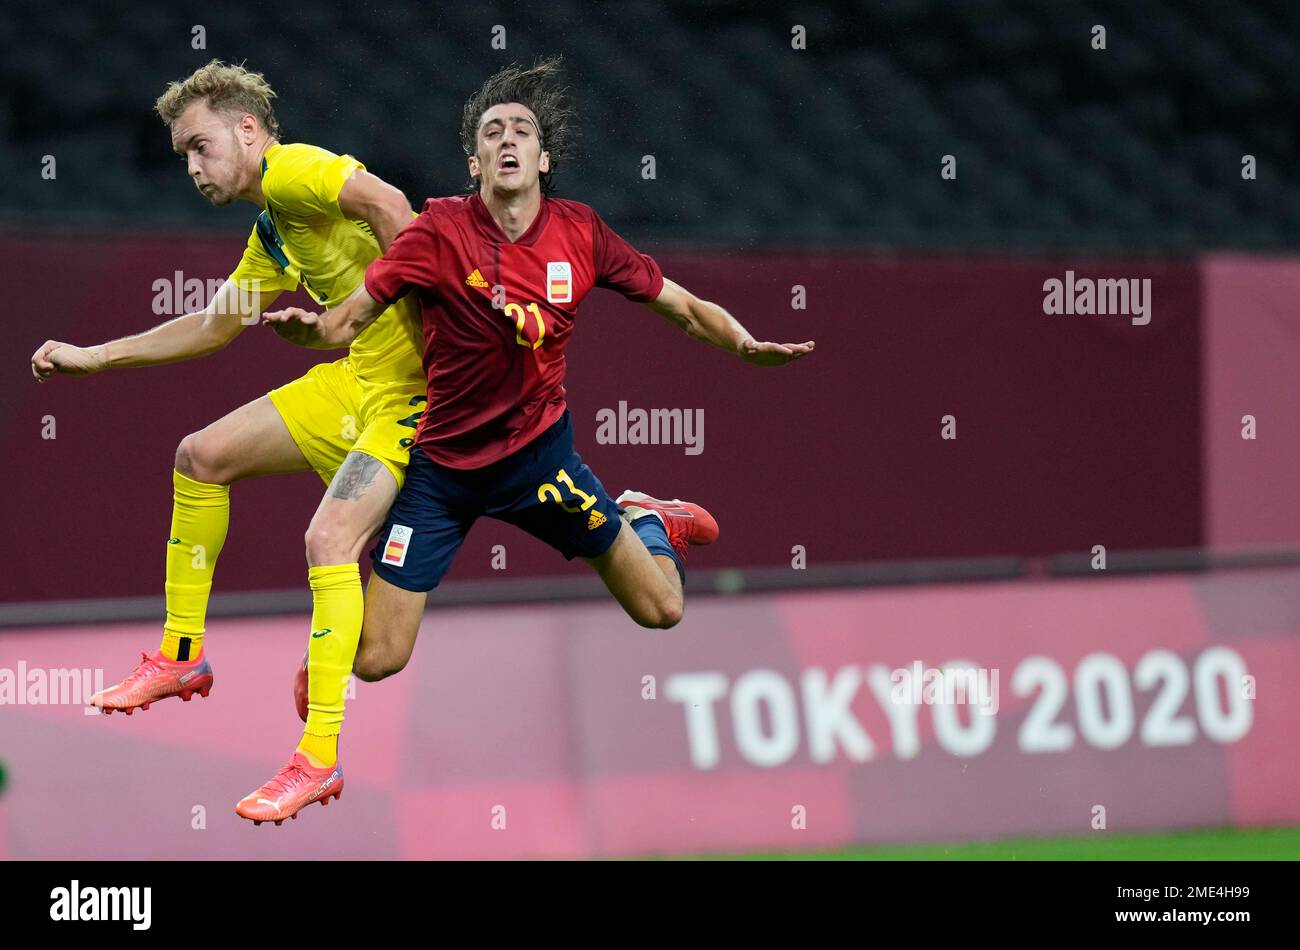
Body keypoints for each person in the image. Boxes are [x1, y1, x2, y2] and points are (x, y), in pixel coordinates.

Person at [265, 58, 815, 823]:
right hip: (443, 472)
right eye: (493, 132)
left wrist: (745, 343)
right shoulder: (436, 232)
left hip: (540, 463)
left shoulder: (582, 233)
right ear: (475, 162)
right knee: (378, 661)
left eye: (523, 130)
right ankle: (324, 684)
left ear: (544, 158)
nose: (509, 139)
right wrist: (310, 332)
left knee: (662, 610)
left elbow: (682, 306)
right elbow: (350, 317)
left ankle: (644, 517)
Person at [29, 60, 427, 825]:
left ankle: (317, 756)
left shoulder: (296, 171)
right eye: (182, 154)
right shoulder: (275, 227)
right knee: (200, 456)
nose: (192, 167)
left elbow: (390, 203)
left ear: (248, 129)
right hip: (358, 382)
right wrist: (95, 356)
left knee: (334, 553)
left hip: (414, 394)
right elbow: (216, 324)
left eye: (200, 146)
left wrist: (389, 311)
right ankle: (181, 657)